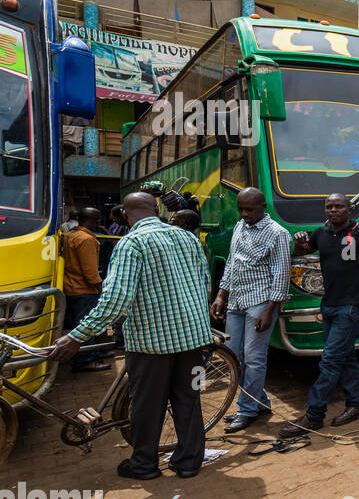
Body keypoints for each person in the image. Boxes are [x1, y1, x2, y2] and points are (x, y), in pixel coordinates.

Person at [48, 192, 213, 480]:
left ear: (125, 214)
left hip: (152, 344)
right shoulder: (188, 238)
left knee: (147, 405)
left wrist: (76, 337)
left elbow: (116, 300)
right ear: (157, 208)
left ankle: (144, 464)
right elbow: (204, 282)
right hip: (194, 339)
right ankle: (188, 462)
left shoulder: (131, 243)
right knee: (189, 398)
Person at [280, 193, 359, 437]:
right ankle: (356, 405)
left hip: (352, 307)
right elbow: (300, 253)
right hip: (328, 305)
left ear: (349, 208)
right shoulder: (321, 233)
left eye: (338, 206)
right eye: (329, 206)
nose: (333, 210)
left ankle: (314, 415)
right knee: (346, 357)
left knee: (330, 360)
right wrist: (299, 242)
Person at [211, 188, 291, 432]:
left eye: (250, 210)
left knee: (254, 358)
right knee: (234, 356)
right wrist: (220, 295)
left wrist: (270, 310)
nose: (244, 214)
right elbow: (232, 264)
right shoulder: (239, 227)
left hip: (260, 303)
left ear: (262, 206)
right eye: (241, 209)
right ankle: (259, 402)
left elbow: (281, 275)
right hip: (235, 301)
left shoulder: (278, 234)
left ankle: (246, 410)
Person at [60, 207, 112, 372]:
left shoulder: (69, 235)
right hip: (84, 289)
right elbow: (91, 272)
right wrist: (101, 288)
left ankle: (92, 353)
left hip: (71, 287)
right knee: (87, 325)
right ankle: (85, 360)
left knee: (81, 323)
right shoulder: (87, 239)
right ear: (96, 220)